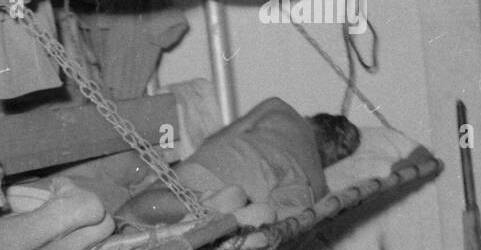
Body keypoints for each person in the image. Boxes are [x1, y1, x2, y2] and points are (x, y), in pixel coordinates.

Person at [119, 97, 360, 228]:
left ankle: (203, 204)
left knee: (133, 210)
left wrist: (172, 171)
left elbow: (218, 138)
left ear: (312, 119)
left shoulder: (281, 109)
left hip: (238, 162)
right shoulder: (320, 185)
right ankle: (239, 215)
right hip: (282, 193)